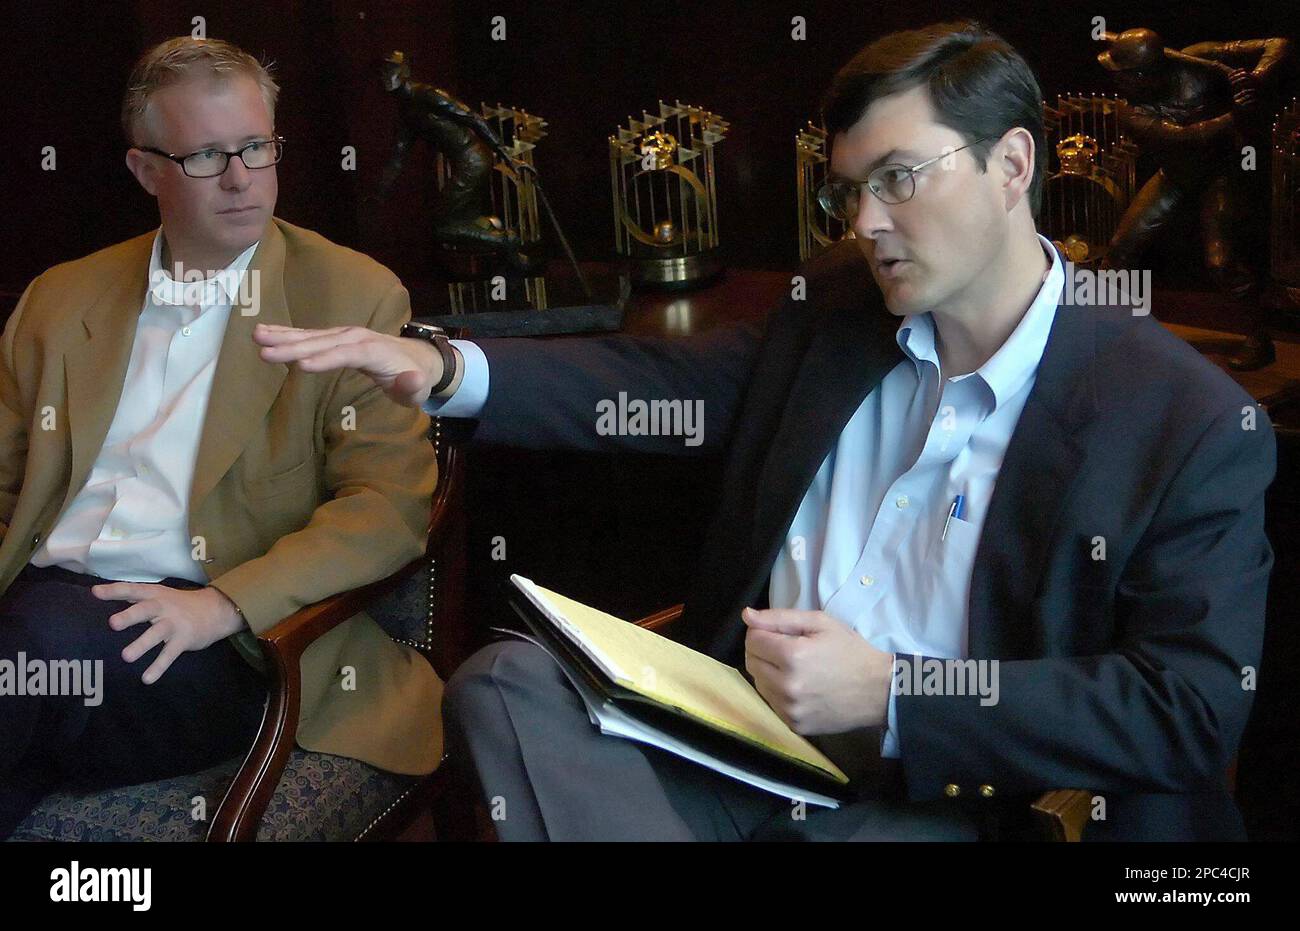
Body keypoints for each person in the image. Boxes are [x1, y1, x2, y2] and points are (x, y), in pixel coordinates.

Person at [255, 21, 1275, 841]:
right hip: (736, 738)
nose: (863, 221)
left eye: (897, 179)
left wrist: (896, 695)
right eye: (849, 190)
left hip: (947, 791)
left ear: (1011, 164)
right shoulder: (840, 307)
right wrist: (446, 365)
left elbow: (1185, 707)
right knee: (505, 682)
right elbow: (664, 380)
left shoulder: (1178, 416)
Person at [0, 36, 441, 838]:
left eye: (255, 147)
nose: (240, 178)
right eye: (204, 155)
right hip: (40, 611)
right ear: (146, 172)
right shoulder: (59, 299)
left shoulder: (349, 295)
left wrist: (222, 605)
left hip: (219, 645)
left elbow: (387, 510)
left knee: (30, 653)